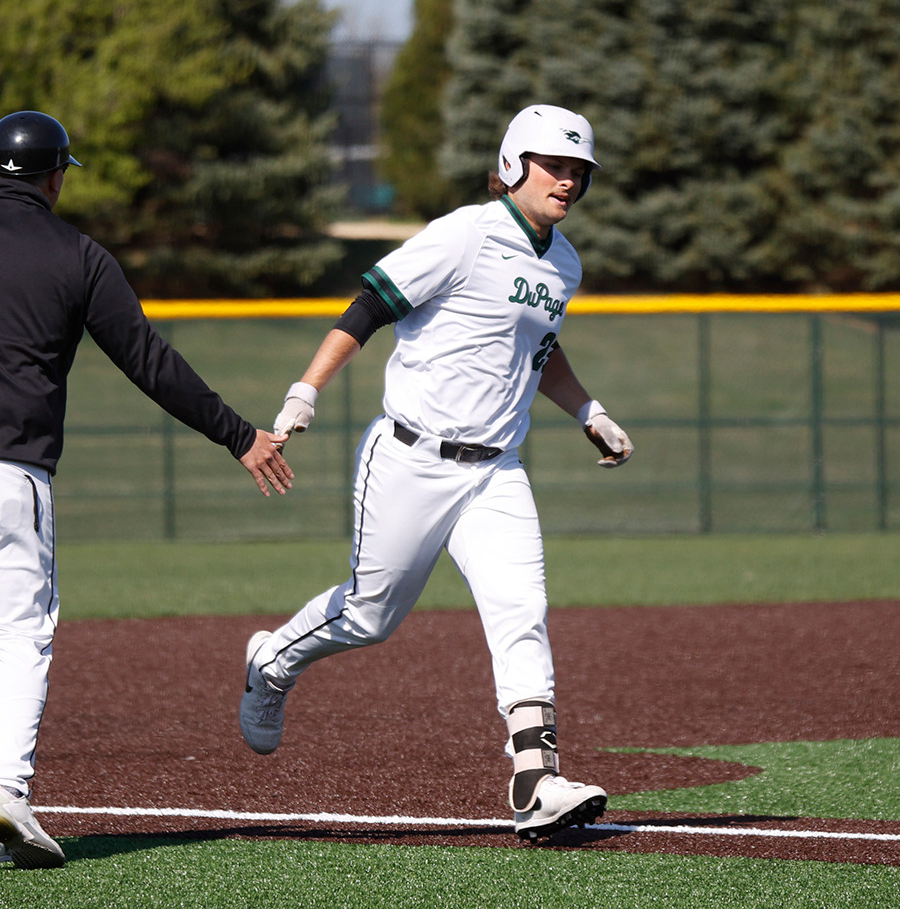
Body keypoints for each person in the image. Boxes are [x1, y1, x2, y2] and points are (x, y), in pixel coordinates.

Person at [0, 111, 294, 868]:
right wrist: (237, 434)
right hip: (7, 472)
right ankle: (4, 792)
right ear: (53, 176)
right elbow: (147, 359)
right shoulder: (78, 254)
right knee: (18, 639)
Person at [236, 104, 634, 842]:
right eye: (555, 164)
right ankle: (272, 660)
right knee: (368, 617)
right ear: (514, 164)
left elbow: (538, 353)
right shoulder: (465, 233)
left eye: (580, 169)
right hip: (411, 459)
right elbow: (369, 305)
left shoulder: (564, 262)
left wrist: (588, 411)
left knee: (522, 609)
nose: (569, 180)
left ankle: (535, 781)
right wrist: (305, 391)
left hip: (497, 470)